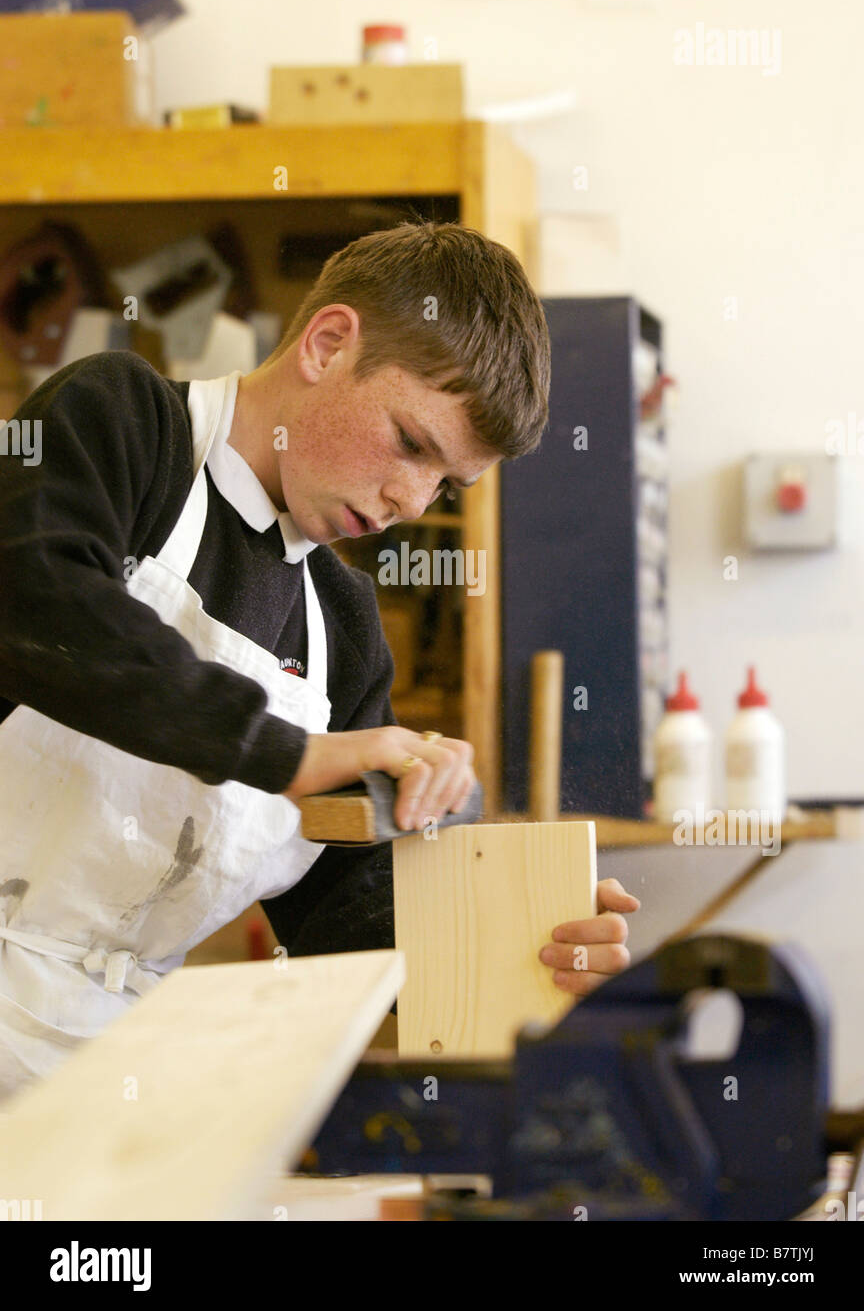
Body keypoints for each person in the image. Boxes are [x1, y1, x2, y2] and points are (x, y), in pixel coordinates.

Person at [0, 219, 639, 1105]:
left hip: (107, 1062)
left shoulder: (340, 627)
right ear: (328, 342)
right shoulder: (124, 423)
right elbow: (38, 605)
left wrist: (519, 932)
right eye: (412, 444)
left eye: (447, 484)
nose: (411, 501)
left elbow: (342, 908)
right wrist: (294, 754)